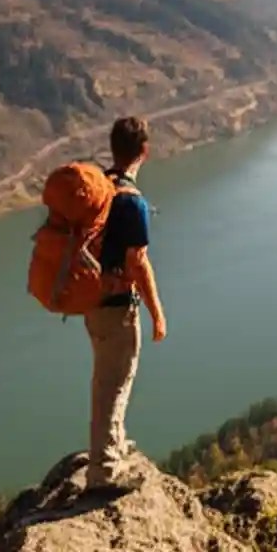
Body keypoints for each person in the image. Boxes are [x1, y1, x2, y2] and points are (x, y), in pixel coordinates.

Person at [86, 116, 167, 493]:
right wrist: (157, 314)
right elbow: (138, 263)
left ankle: (114, 445)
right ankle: (103, 473)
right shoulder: (132, 202)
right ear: (144, 152)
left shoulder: (101, 187)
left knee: (109, 377)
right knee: (114, 385)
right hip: (117, 307)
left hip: (92, 301)